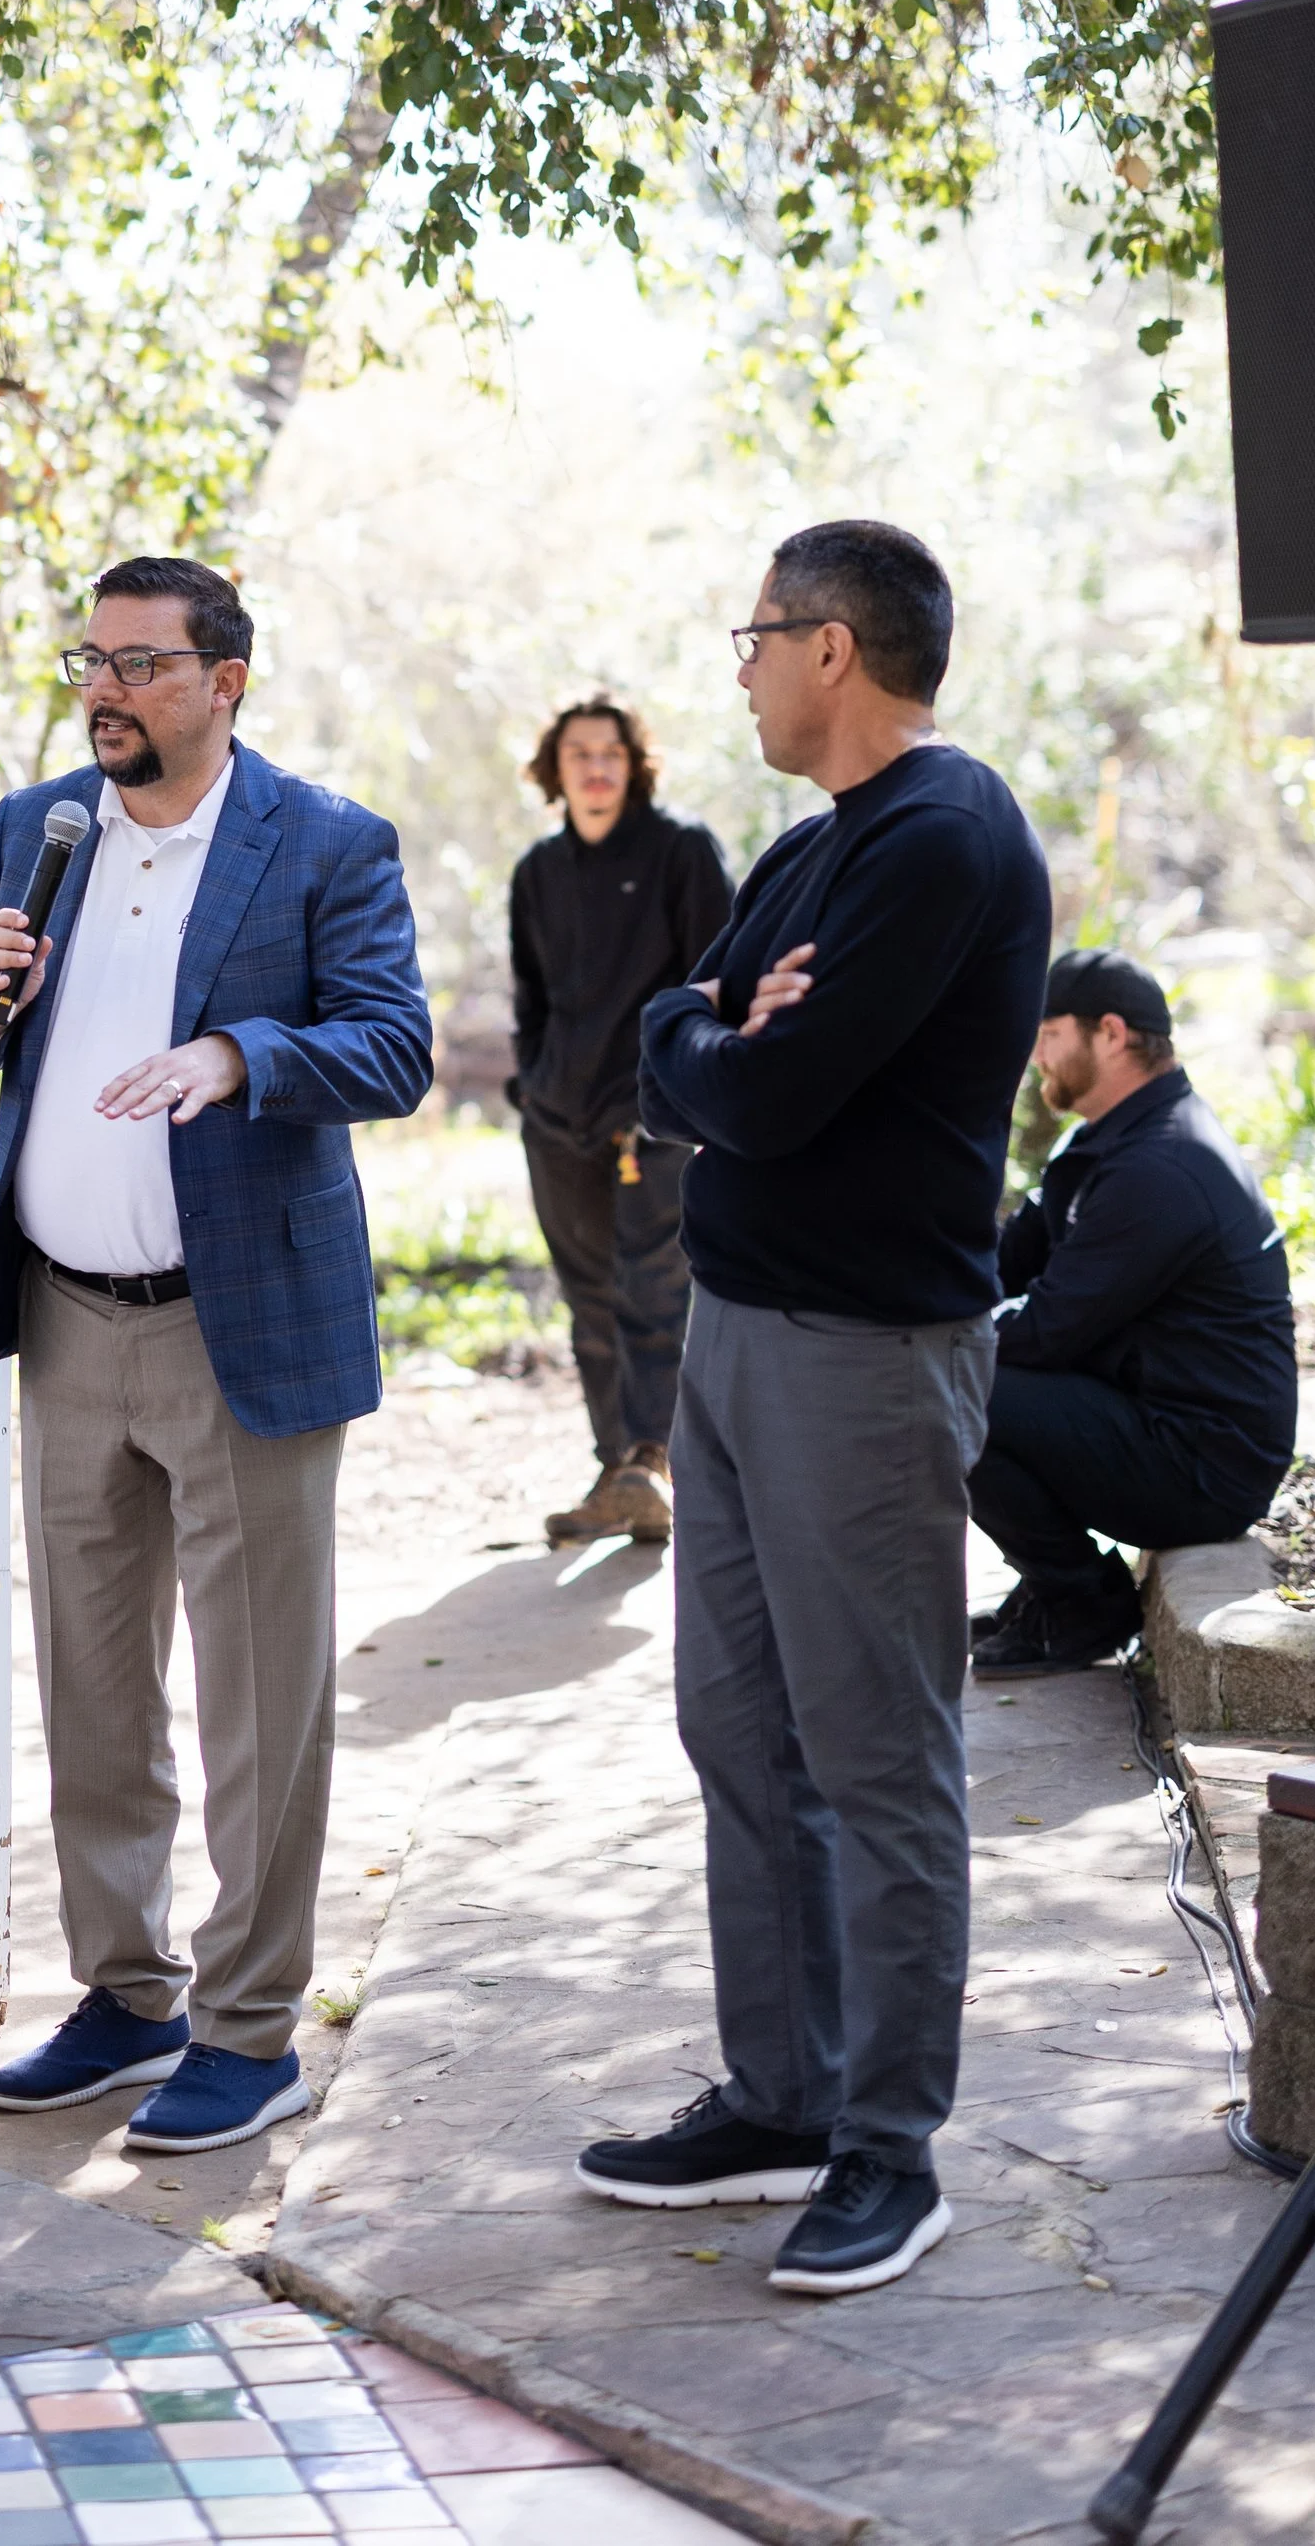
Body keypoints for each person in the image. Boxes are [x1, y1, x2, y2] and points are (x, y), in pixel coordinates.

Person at [575, 519, 1049, 2298]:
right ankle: (783, 2096)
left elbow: (762, 1100)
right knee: (741, 1730)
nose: (747, 669)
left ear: (832, 646)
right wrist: (713, 1026)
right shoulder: (810, 844)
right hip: (734, 1339)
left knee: (875, 1756)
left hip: (863, 1356)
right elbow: (670, 1045)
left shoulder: (943, 835)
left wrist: (714, 1043)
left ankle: (888, 2149)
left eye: (758, 636)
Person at [0, 556, 433, 2157]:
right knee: (91, 1689)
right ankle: (125, 1995)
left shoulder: (325, 841)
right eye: (92, 658)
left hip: (239, 1327)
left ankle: (251, 2028)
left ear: (226, 679)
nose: (106, 687)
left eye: (141, 662)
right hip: (66, 1318)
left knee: (259, 1701)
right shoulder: (41, 827)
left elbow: (396, 1044)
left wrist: (235, 1054)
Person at [969, 947, 1296, 1676]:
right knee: (957, 1367)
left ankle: (1083, 1603)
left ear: (1110, 1034)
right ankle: (1053, 1586)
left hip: (1203, 1467)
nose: (1035, 1057)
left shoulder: (1164, 1165)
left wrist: (938, 1338)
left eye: (1049, 1035)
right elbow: (1005, 1262)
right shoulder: (1109, 1140)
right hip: (1152, 1419)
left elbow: (1047, 1330)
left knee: (959, 1388)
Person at [508, 697, 731, 1548]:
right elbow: (531, 998)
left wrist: (689, 1092)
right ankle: (620, 1474)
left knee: (656, 1292)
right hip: (556, 1122)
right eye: (580, 754)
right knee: (589, 1298)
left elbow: (721, 977)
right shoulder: (538, 871)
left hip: (654, 1117)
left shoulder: (681, 851)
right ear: (555, 770)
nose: (596, 768)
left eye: (611, 752)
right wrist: (534, 1089)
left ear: (635, 765)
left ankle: (652, 1461)